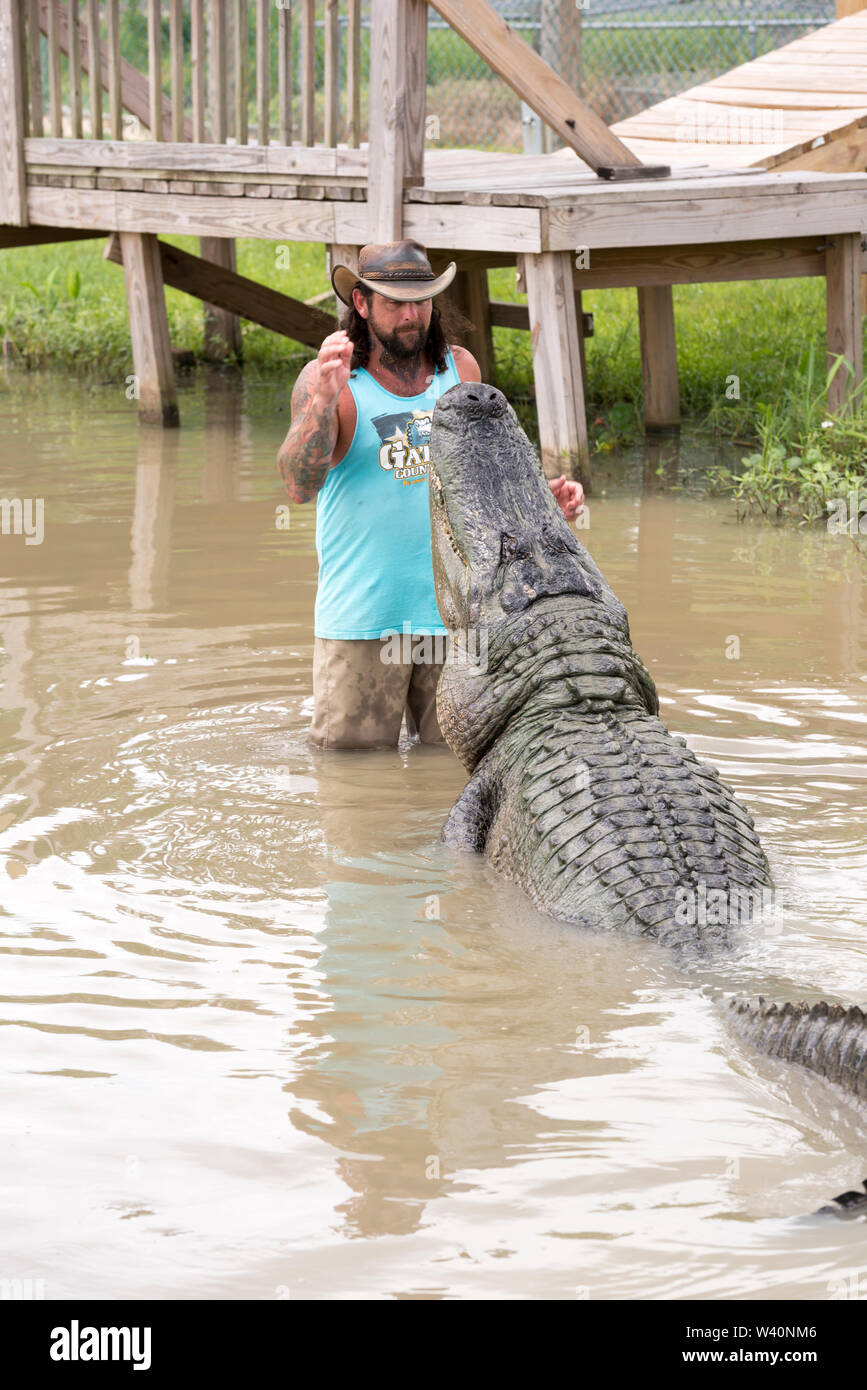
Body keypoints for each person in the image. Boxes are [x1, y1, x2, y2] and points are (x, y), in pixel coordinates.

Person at [276, 239, 585, 750]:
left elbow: (481, 487)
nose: (410, 315)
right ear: (360, 304)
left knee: (459, 771)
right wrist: (322, 404)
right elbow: (296, 485)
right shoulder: (333, 381)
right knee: (353, 781)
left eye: (421, 301)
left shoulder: (460, 371)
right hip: (364, 622)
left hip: (460, 621)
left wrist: (543, 504)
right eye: (394, 303)